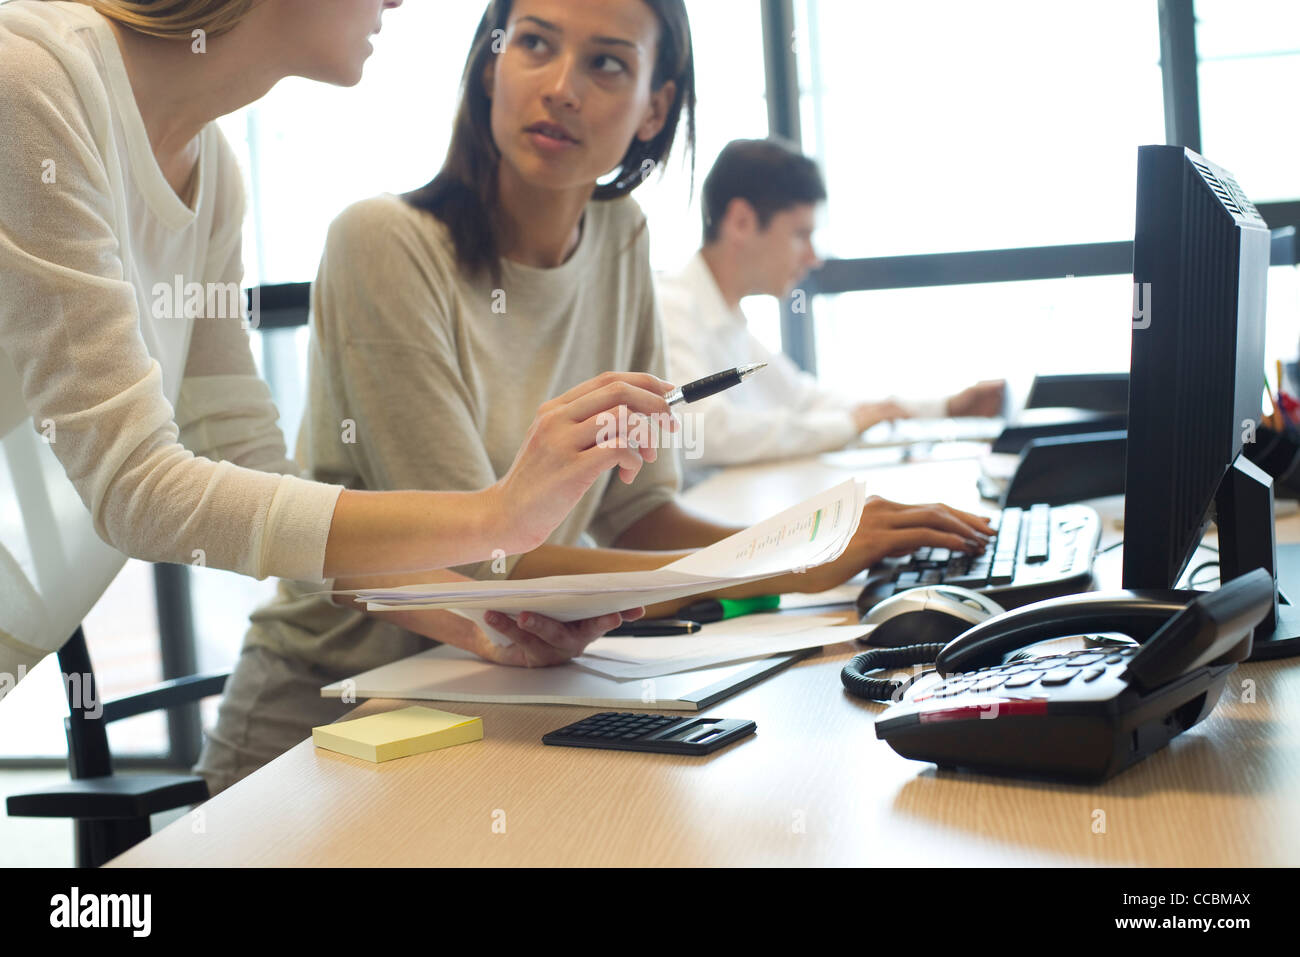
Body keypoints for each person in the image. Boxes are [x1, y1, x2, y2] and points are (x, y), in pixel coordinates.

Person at [197, 0, 996, 793]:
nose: (561, 87)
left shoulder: (621, 235)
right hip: (334, 721)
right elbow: (487, 558)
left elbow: (636, 510)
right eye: (534, 44)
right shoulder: (383, 243)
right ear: (491, 66)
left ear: (656, 108)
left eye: (606, 62)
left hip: (511, 695)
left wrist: (797, 545)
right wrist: (779, 567)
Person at [0, 0, 666, 693]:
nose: (399, 1)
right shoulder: (31, 80)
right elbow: (138, 490)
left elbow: (247, 461)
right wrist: (498, 516)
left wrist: (478, 624)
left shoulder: (213, 170)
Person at [657, 137, 1005, 481]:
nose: (813, 258)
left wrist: (944, 408)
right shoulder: (671, 308)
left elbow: (807, 400)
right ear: (742, 222)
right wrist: (847, 425)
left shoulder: (729, 320)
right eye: (800, 235)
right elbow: (703, 431)